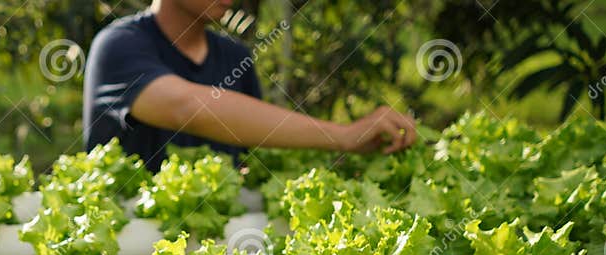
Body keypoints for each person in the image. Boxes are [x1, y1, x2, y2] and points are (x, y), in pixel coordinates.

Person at [83, 0, 418, 171]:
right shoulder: (118, 45)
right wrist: (342, 135)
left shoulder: (235, 57)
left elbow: (249, 159)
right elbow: (186, 108)